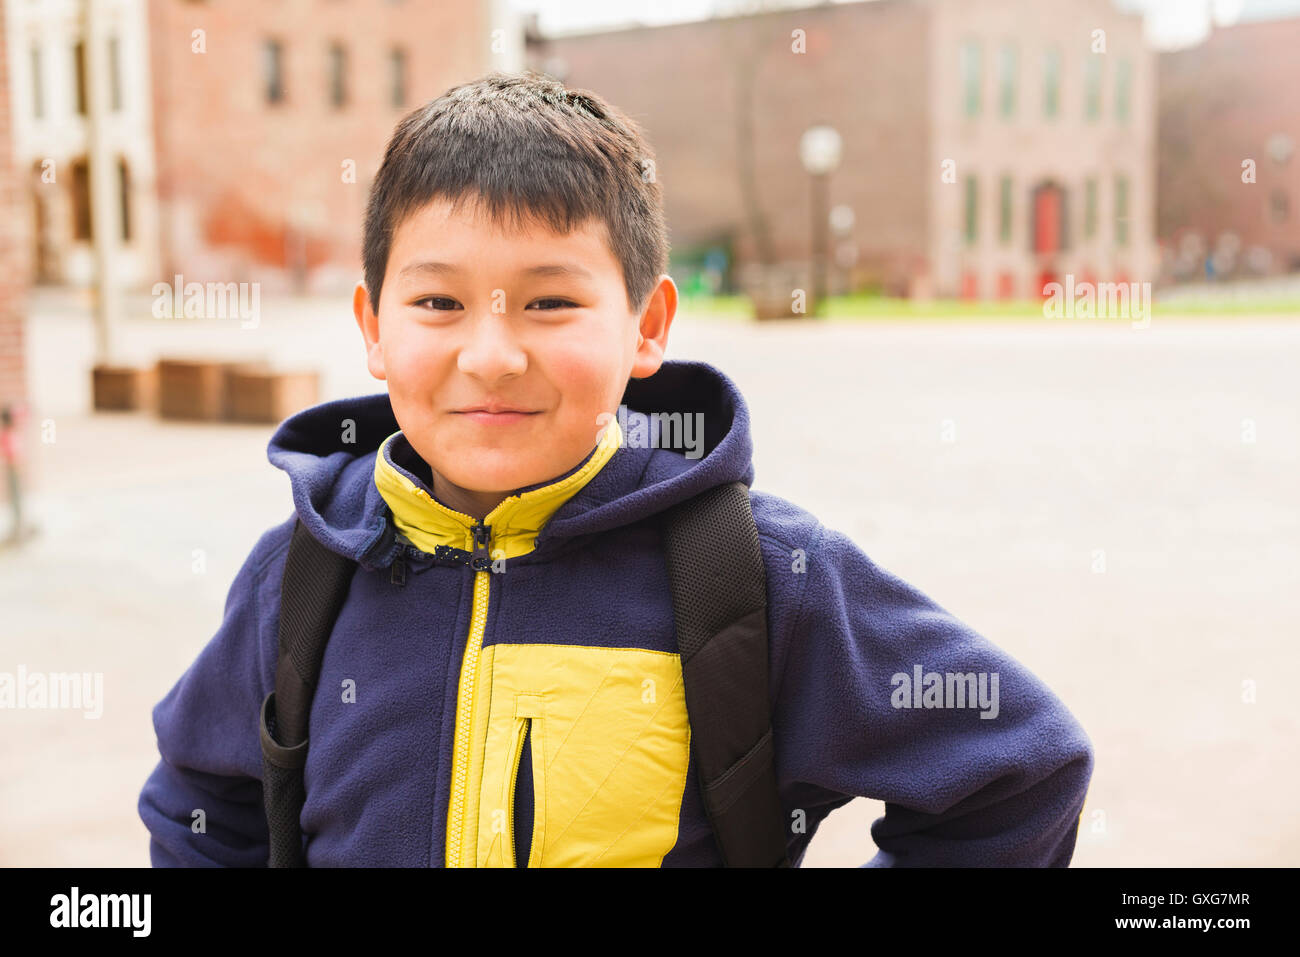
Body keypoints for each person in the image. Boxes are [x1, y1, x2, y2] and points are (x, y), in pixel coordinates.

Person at [138, 72, 1093, 867]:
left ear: (647, 326)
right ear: (372, 328)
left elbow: (1018, 770)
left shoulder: (759, 578)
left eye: (551, 303)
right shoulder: (303, 574)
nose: (492, 356)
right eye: (437, 301)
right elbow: (202, 802)